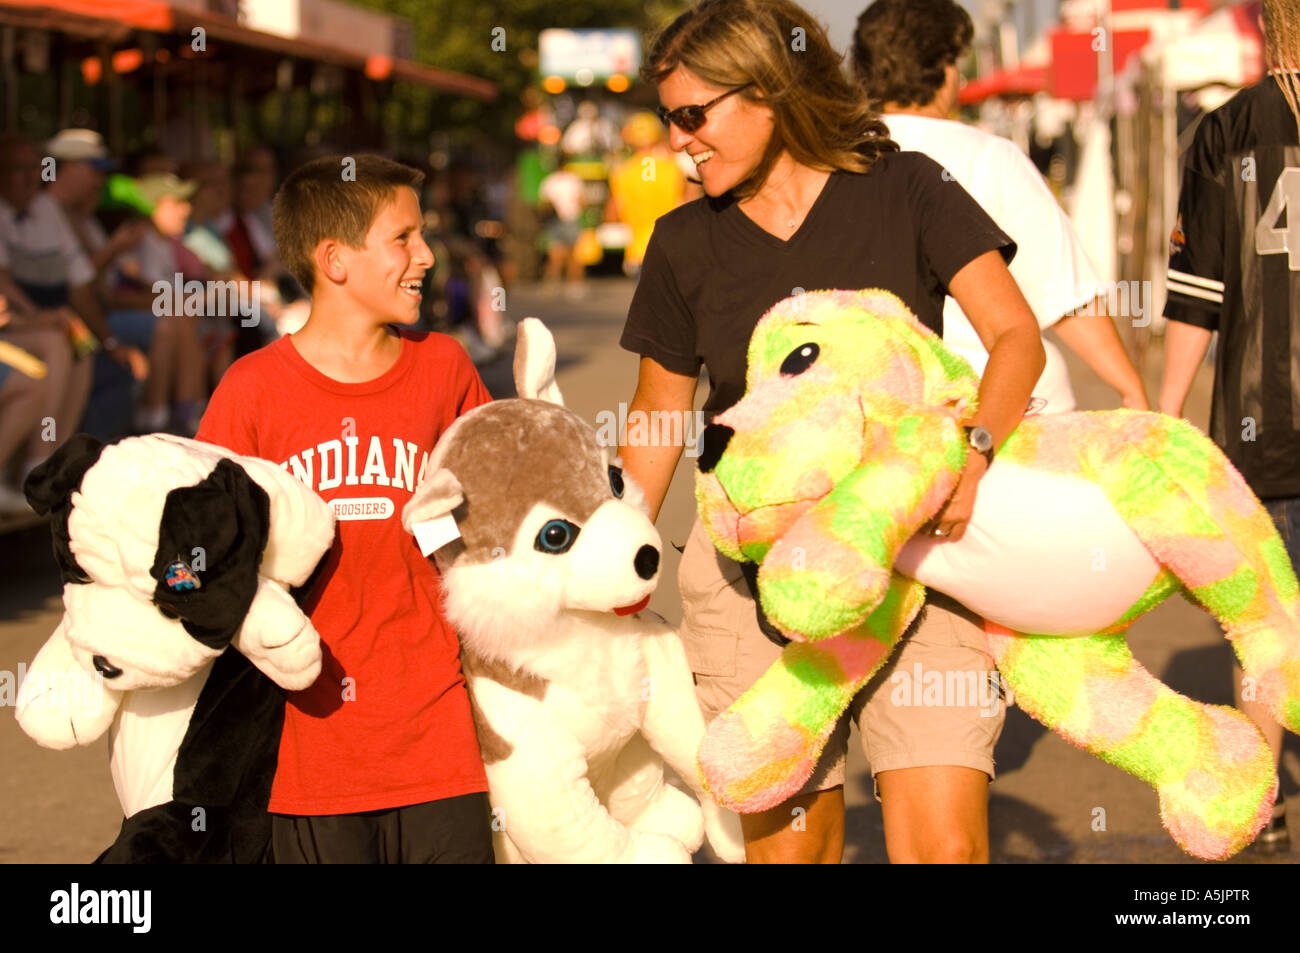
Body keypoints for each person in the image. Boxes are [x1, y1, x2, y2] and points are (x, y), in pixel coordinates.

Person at [621, 0, 1045, 863]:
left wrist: (975, 455)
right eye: (670, 118)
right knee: (794, 859)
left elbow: (1016, 339)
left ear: (768, 93)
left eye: (693, 115)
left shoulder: (909, 189)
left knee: (944, 850)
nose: (677, 140)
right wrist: (616, 564)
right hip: (752, 586)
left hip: (919, 561)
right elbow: (660, 414)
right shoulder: (681, 244)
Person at [195, 154, 494, 863]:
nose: (425, 255)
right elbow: (201, 558)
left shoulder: (445, 367)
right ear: (334, 258)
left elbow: (493, 531)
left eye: (423, 236)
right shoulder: (252, 391)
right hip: (309, 759)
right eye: (403, 238)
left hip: (440, 742)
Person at [853, 0, 1148, 413]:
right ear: (944, 67)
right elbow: (1064, 295)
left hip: (886, 410)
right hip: (1009, 404)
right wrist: (1132, 389)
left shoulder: (837, 162)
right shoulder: (989, 157)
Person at [1159, 0, 1300, 854]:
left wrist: (1165, 415)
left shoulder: (1229, 130)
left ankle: (1259, 796)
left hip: (1262, 422)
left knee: (1263, 621)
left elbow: (1196, 291)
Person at [605, 111, 687, 277]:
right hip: (671, 249)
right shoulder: (673, 169)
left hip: (638, 251)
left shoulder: (621, 172)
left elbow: (612, 215)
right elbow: (684, 205)